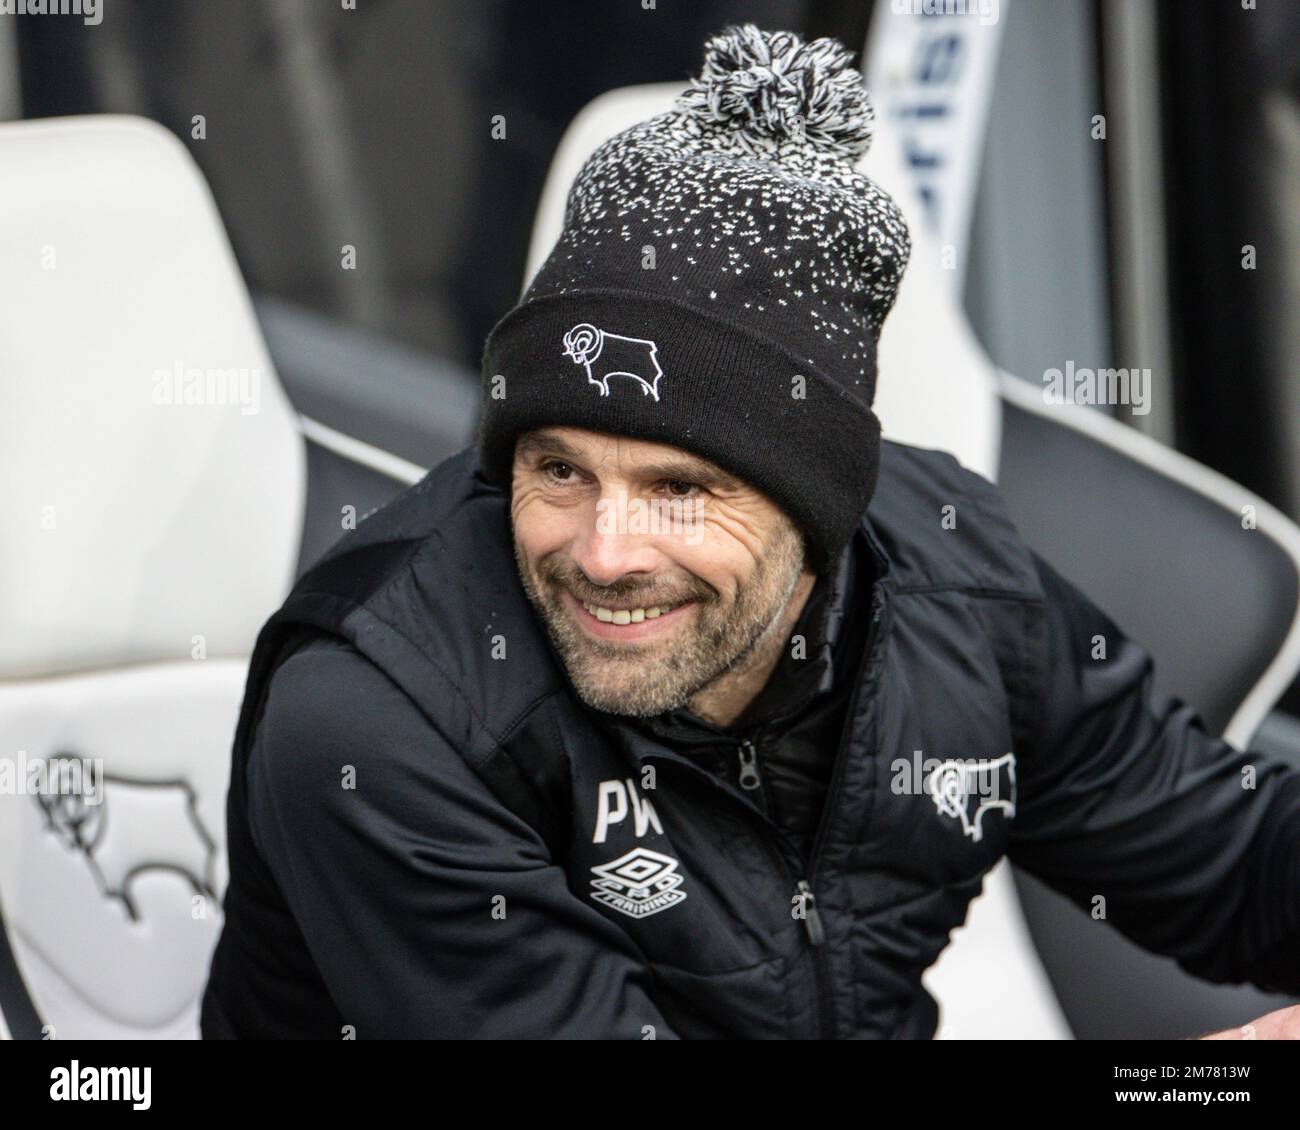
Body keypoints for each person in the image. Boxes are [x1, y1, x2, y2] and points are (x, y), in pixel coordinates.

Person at [200, 24, 1300, 1040]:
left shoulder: (957, 586)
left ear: (819, 506)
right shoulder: (377, 715)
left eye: (682, 487)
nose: (603, 551)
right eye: (556, 469)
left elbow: (1237, 864)